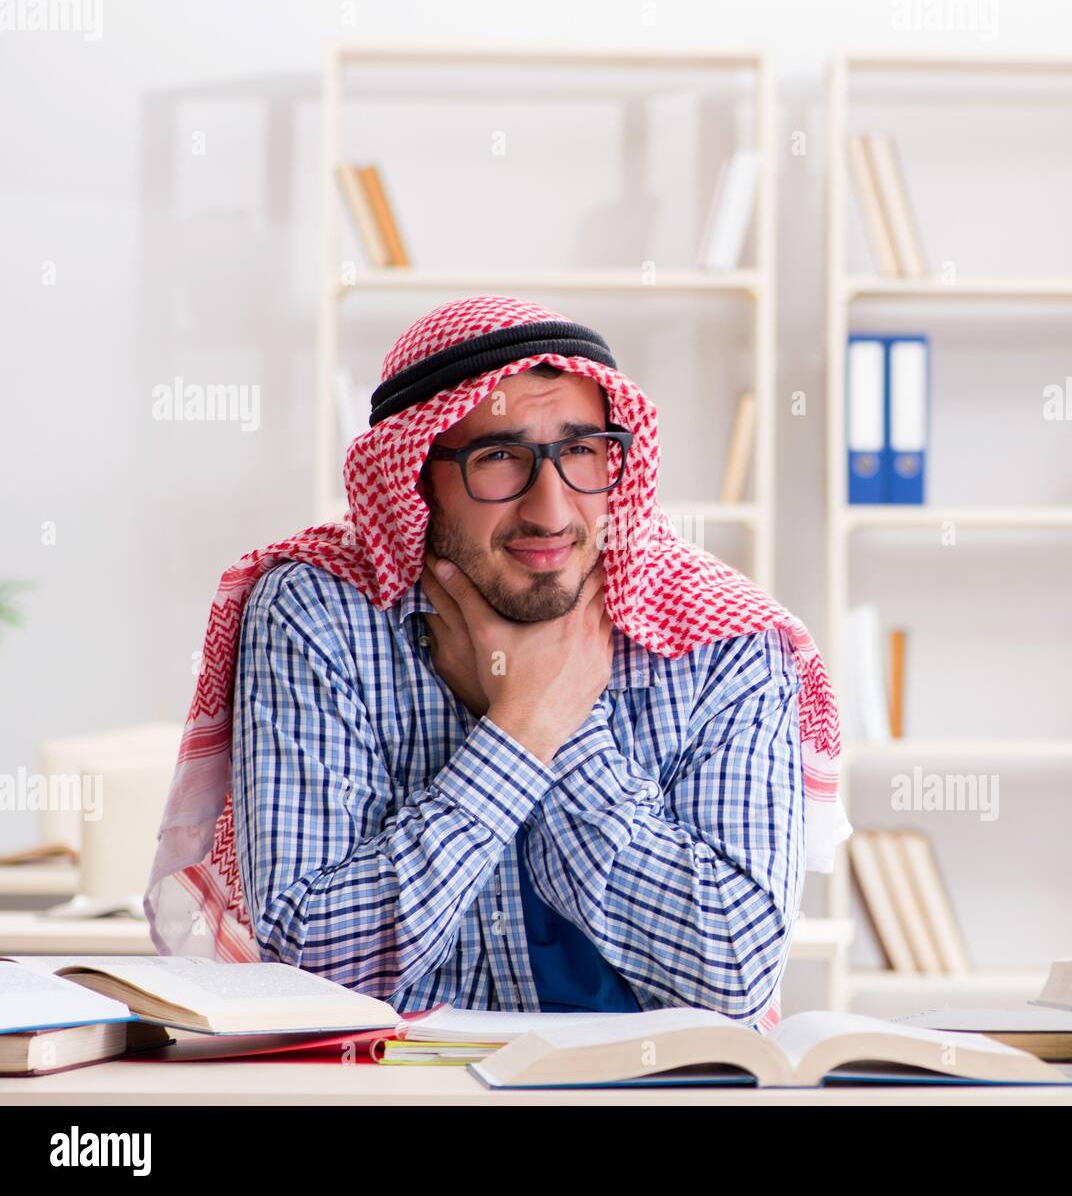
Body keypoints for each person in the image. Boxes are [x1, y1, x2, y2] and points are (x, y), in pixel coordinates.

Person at [143, 295, 850, 1032]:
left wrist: (558, 724)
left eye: (580, 452)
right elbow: (309, 970)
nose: (551, 511)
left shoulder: (723, 637)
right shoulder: (319, 614)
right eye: (500, 458)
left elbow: (733, 973)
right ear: (416, 477)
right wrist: (517, 735)